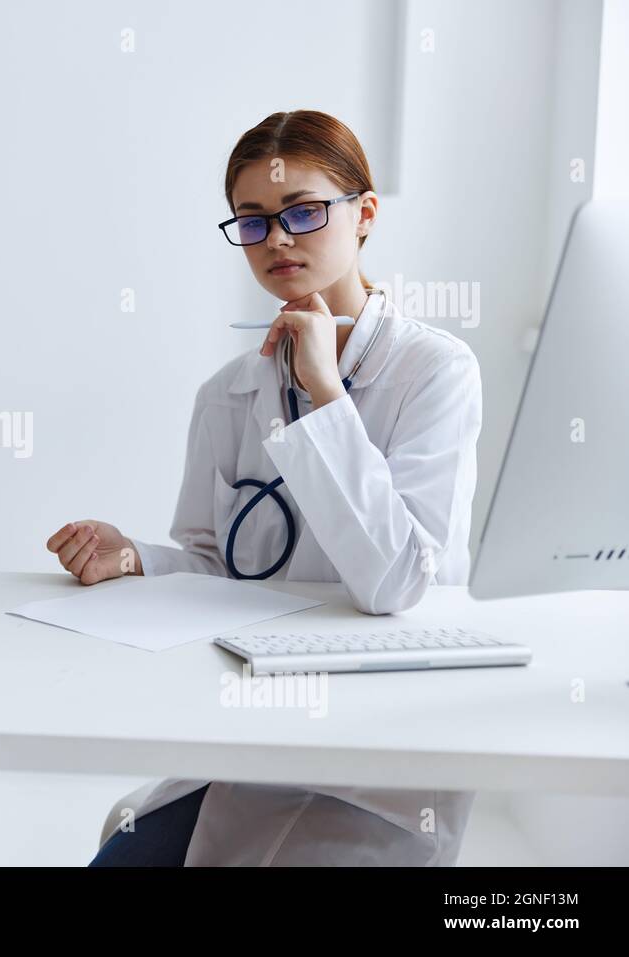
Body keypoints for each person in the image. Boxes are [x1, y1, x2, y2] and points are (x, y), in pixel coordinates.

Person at [49, 111, 482, 866]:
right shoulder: (230, 393)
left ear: (365, 215)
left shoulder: (434, 373)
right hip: (246, 748)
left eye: (303, 212)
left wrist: (326, 394)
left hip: (374, 769)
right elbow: (216, 571)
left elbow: (398, 582)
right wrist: (134, 560)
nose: (278, 239)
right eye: (253, 222)